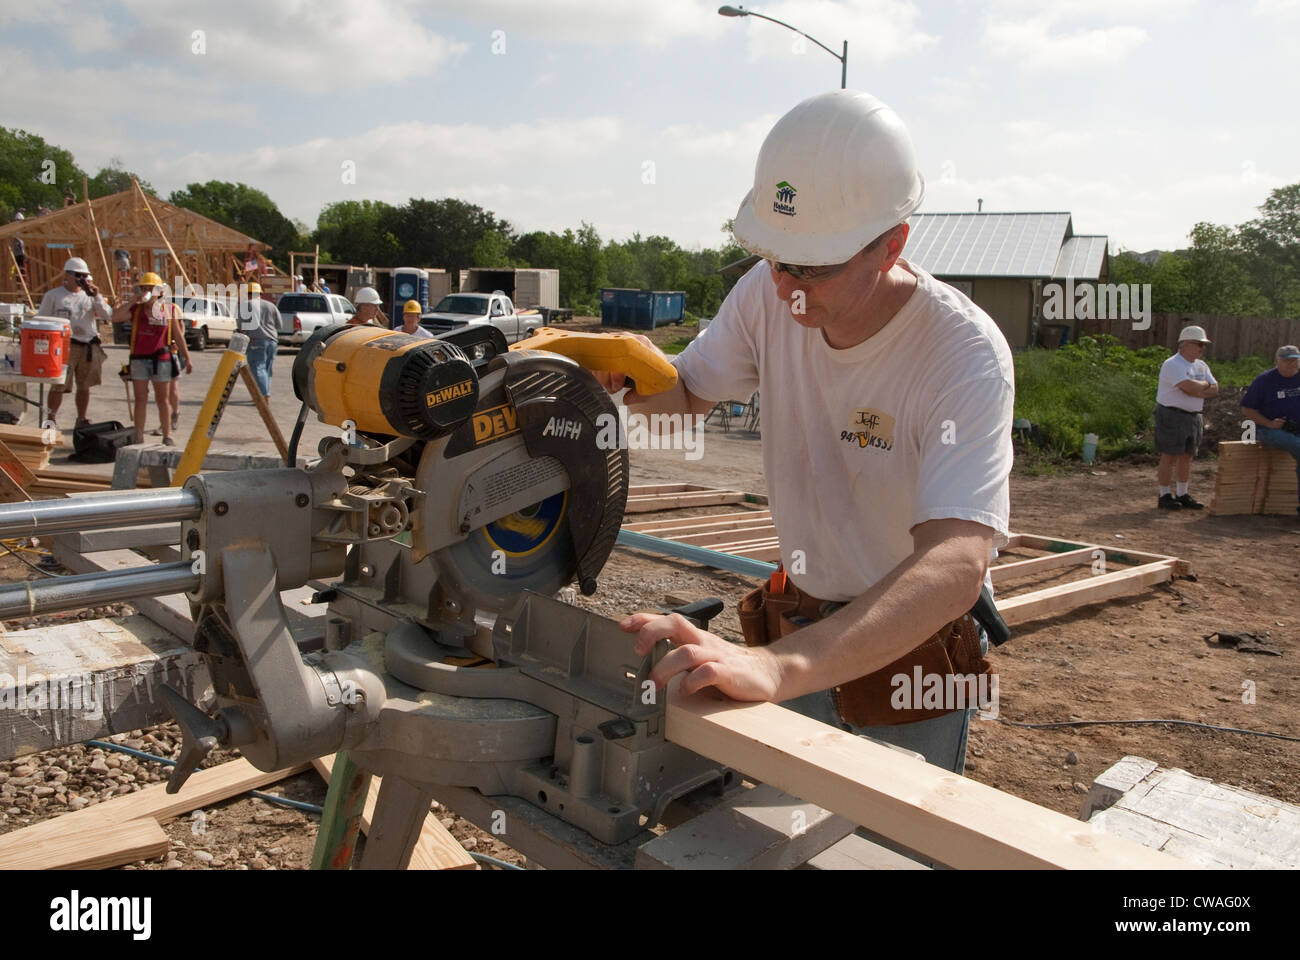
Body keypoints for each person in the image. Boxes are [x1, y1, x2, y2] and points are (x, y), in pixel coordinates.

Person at [599, 90, 1014, 774]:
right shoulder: (771, 291)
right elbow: (687, 398)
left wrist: (777, 665)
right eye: (775, 258)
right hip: (803, 617)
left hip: (909, 645)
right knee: (786, 819)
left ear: (891, 245)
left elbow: (956, 565)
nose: (788, 286)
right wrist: (618, 374)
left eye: (812, 267)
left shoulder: (962, 356)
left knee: (893, 839)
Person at [112, 272, 192, 445]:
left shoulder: (168, 310)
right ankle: (139, 436)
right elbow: (115, 317)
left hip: (161, 359)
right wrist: (134, 299)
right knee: (140, 398)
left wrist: (187, 357)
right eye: (144, 288)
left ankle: (167, 434)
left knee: (162, 399)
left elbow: (178, 336)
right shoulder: (137, 310)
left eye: (151, 288)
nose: (147, 291)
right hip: (139, 359)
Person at [36, 256, 111, 428]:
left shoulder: (90, 296)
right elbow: (41, 320)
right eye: (78, 275)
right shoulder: (54, 296)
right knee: (58, 384)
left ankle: (81, 418)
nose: (82, 279)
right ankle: (51, 418)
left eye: (84, 276)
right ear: (68, 275)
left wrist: (97, 296)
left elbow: (107, 315)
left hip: (87, 345)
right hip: (64, 345)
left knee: (84, 385)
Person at [1154, 324, 1219, 510]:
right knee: (1169, 455)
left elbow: (1215, 389)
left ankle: (1182, 493)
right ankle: (1164, 494)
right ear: (1184, 344)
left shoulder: (1201, 365)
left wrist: (1199, 388)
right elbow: (1187, 388)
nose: (1202, 348)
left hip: (1193, 415)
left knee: (1187, 456)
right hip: (1172, 414)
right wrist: (1202, 387)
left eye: (1203, 344)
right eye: (1198, 344)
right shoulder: (1172, 364)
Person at [1240, 344, 1300, 515]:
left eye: (1295, 361)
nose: (1292, 365)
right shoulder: (1264, 380)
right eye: (1287, 361)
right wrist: (1269, 423)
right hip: (1270, 431)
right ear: (1277, 361)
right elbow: (1247, 409)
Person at [242, 281, 281, 397]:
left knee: (258, 368)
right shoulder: (270, 306)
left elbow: (241, 325)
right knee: (267, 369)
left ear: (249, 294)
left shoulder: (247, 305)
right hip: (272, 341)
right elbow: (279, 325)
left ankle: (264, 394)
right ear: (260, 293)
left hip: (256, 341)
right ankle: (264, 393)